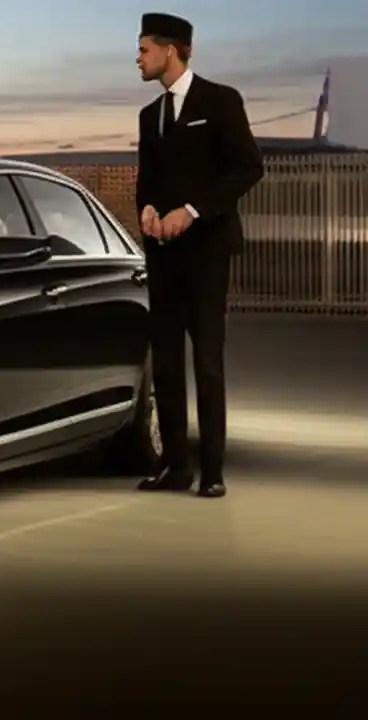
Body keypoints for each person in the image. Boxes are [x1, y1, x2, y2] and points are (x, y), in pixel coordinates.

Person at [133, 12, 264, 498]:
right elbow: (147, 180)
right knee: (166, 362)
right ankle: (175, 466)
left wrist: (191, 210)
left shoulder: (221, 101)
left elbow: (249, 167)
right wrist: (146, 209)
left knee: (207, 360)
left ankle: (212, 471)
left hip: (207, 253)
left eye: (144, 49)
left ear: (170, 50)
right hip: (163, 256)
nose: (139, 58)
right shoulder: (149, 116)